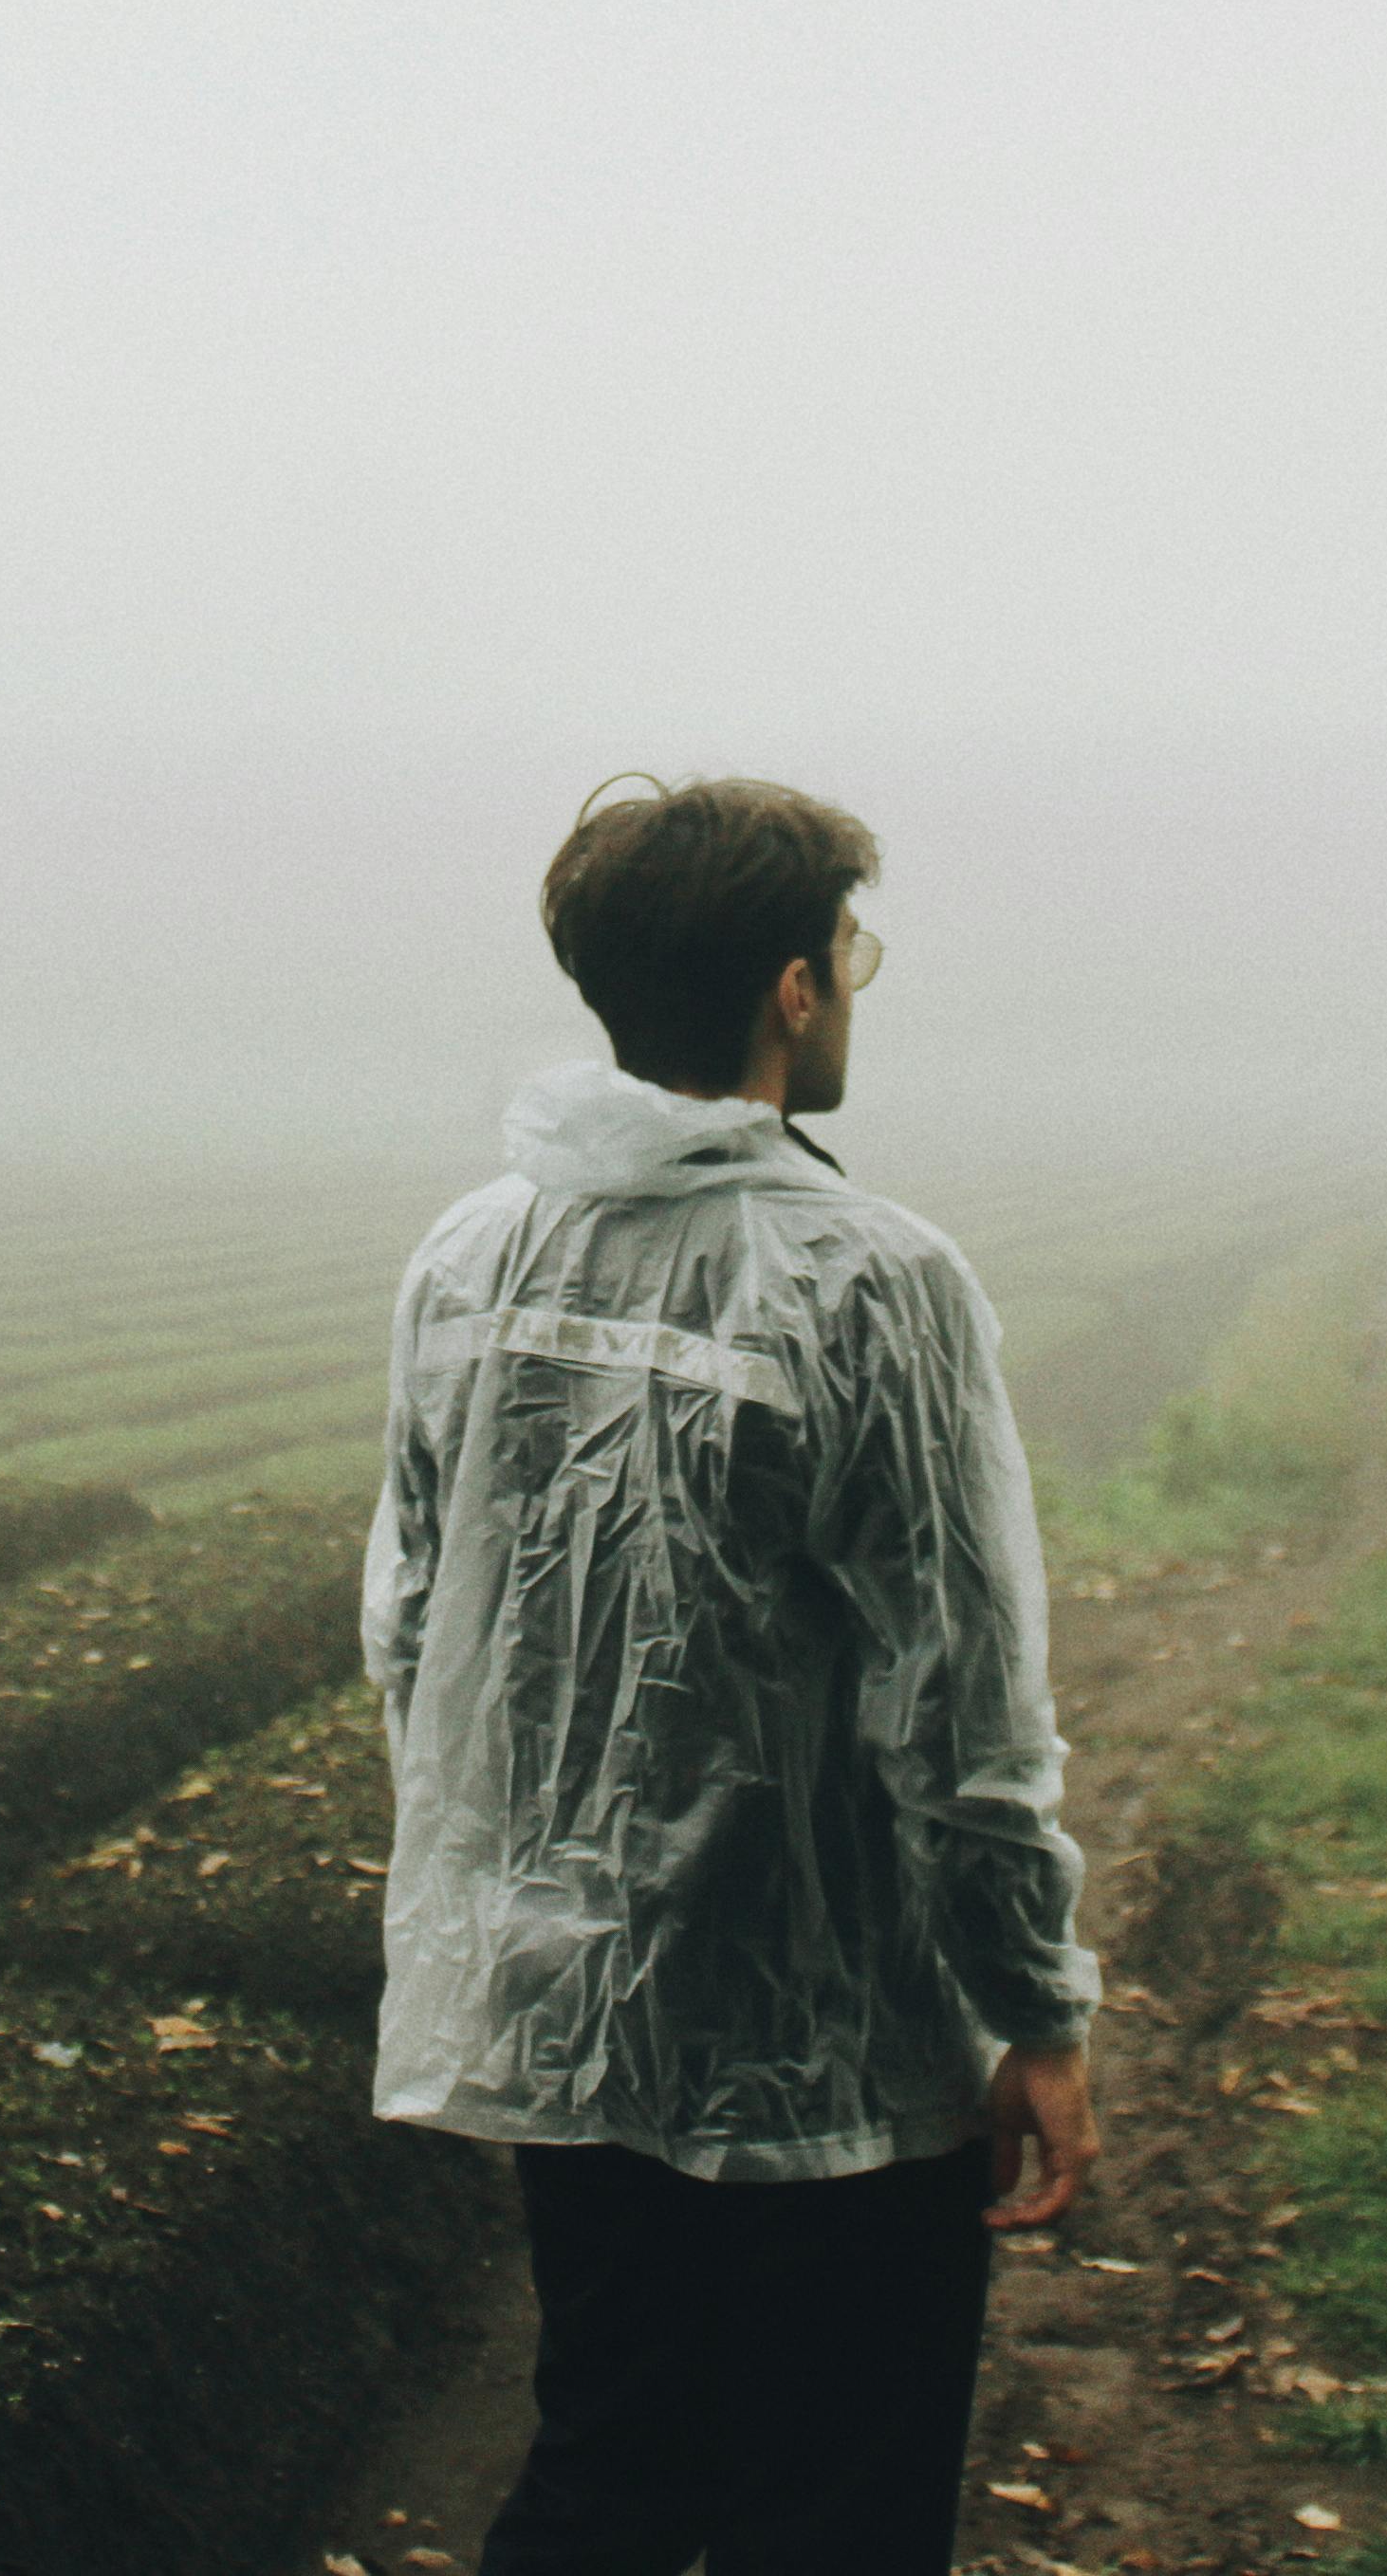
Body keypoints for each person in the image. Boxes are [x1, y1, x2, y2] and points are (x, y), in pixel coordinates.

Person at [364, 772, 1102, 2576]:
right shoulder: (872, 1282)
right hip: (833, 2046)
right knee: (835, 2514)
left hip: (572, 2016)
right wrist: (1038, 2008)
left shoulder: (474, 1255)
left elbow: (412, 1626)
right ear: (791, 991)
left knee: (613, 2469)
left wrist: (532, 1904)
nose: (856, 979)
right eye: (849, 950)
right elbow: (963, 1709)